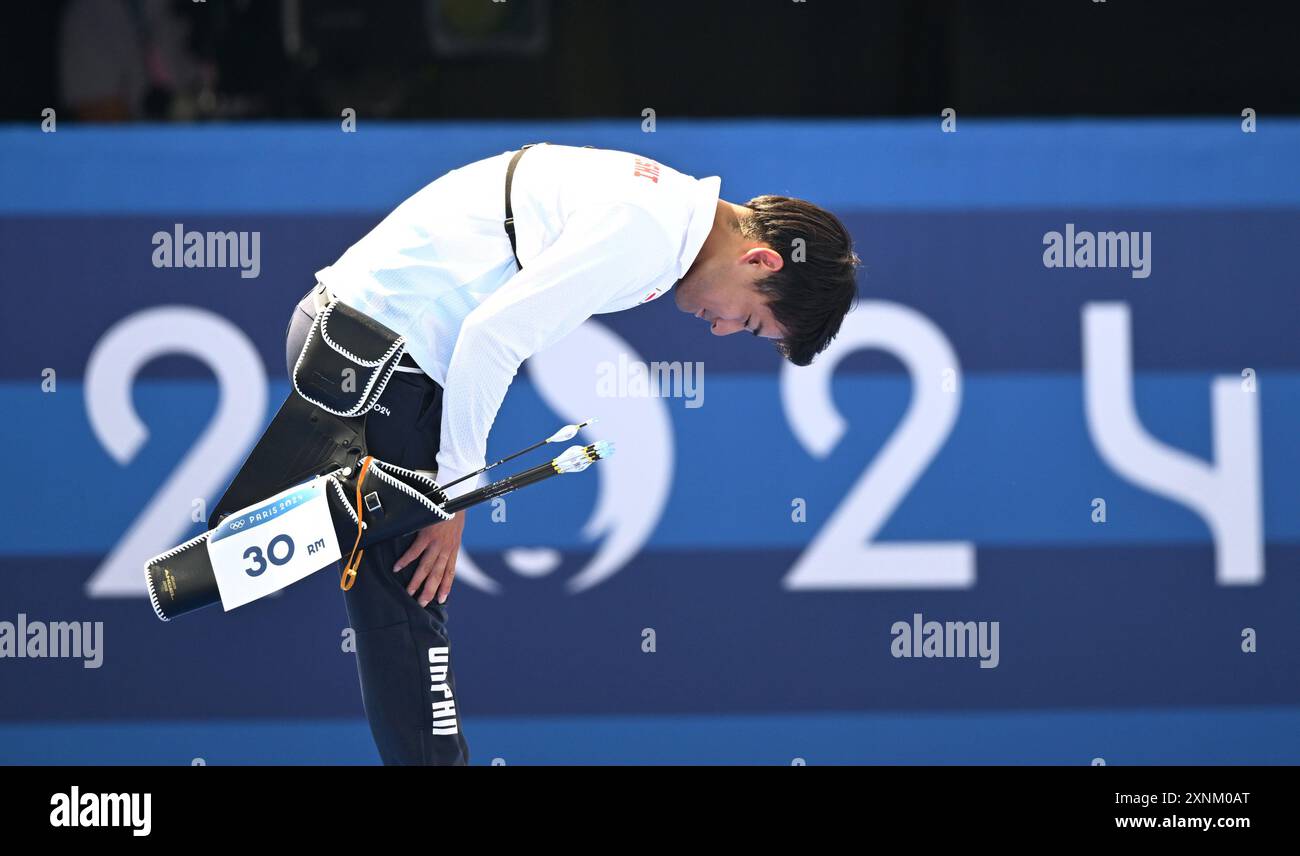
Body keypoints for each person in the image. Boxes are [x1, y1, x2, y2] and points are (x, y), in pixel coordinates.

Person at [285, 143, 860, 764]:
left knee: (401, 590)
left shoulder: (667, 211)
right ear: (761, 260)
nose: (721, 330)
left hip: (365, 344)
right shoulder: (650, 230)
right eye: (748, 321)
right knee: (411, 601)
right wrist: (453, 492)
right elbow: (490, 336)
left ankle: (296, 512)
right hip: (370, 356)